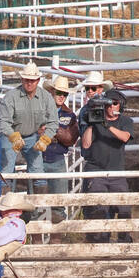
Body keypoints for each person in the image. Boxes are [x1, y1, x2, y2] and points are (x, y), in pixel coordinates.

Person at [0, 61, 58, 195]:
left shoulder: (46, 97)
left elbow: (53, 122)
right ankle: (4, 204)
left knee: (37, 170)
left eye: (32, 80)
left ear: (38, 80)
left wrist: (45, 139)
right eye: (26, 80)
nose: (29, 83)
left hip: (32, 135)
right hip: (11, 134)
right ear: (22, 79)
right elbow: (3, 123)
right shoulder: (11, 96)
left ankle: (39, 208)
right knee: (7, 169)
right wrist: (13, 137)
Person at [80, 87, 132, 241]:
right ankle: (101, 239)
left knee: (124, 208)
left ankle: (124, 239)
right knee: (99, 208)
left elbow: (125, 137)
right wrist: (90, 124)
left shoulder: (125, 121)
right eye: (108, 104)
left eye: (114, 104)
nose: (111, 107)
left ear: (120, 105)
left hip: (117, 173)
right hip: (97, 172)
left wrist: (106, 125)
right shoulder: (96, 121)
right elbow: (86, 145)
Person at [41, 76, 79, 222]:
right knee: (35, 204)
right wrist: (59, 133)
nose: (62, 96)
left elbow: (70, 139)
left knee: (58, 204)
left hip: (57, 161)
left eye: (65, 94)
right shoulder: (39, 110)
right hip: (38, 160)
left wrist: (49, 129)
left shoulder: (69, 115)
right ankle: (36, 241)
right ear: (51, 91)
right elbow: (33, 131)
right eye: (59, 92)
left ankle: (56, 241)